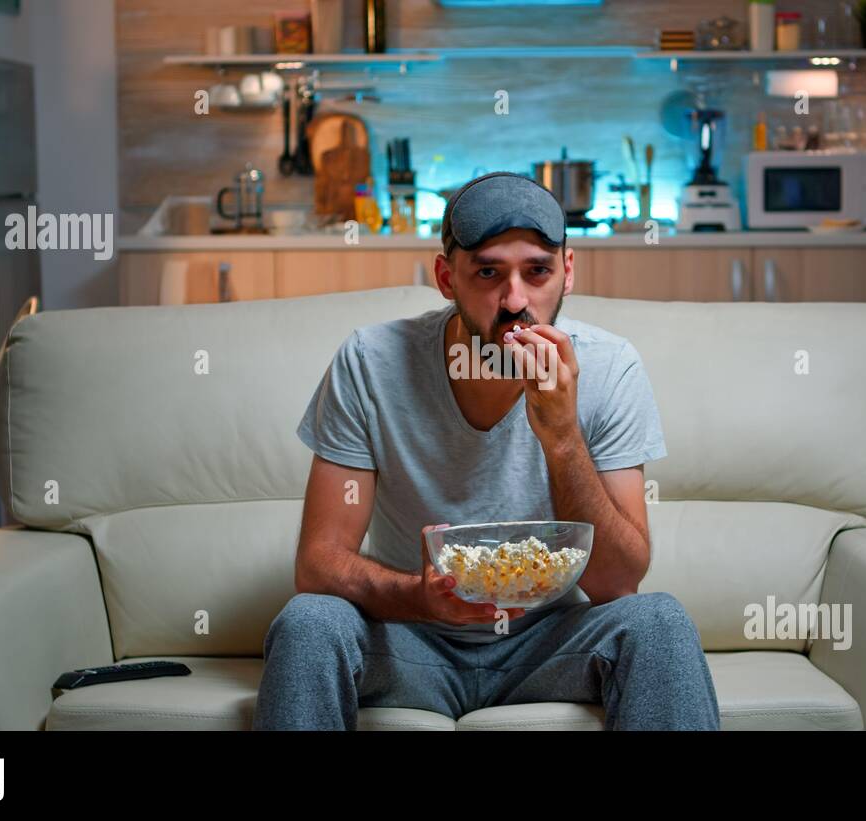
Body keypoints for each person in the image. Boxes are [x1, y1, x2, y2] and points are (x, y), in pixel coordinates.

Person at [253, 172, 720, 730]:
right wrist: (420, 598)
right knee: (308, 621)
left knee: (659, 620)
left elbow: (617, 584)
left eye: (537, 271)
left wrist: (563, 438)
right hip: (411, 641)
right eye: (488, 272)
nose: (516, 301)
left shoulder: (611, 368)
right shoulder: (370, 362)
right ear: (447, 277)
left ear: (567, 272)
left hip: (548, 645)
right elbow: (318, 563)